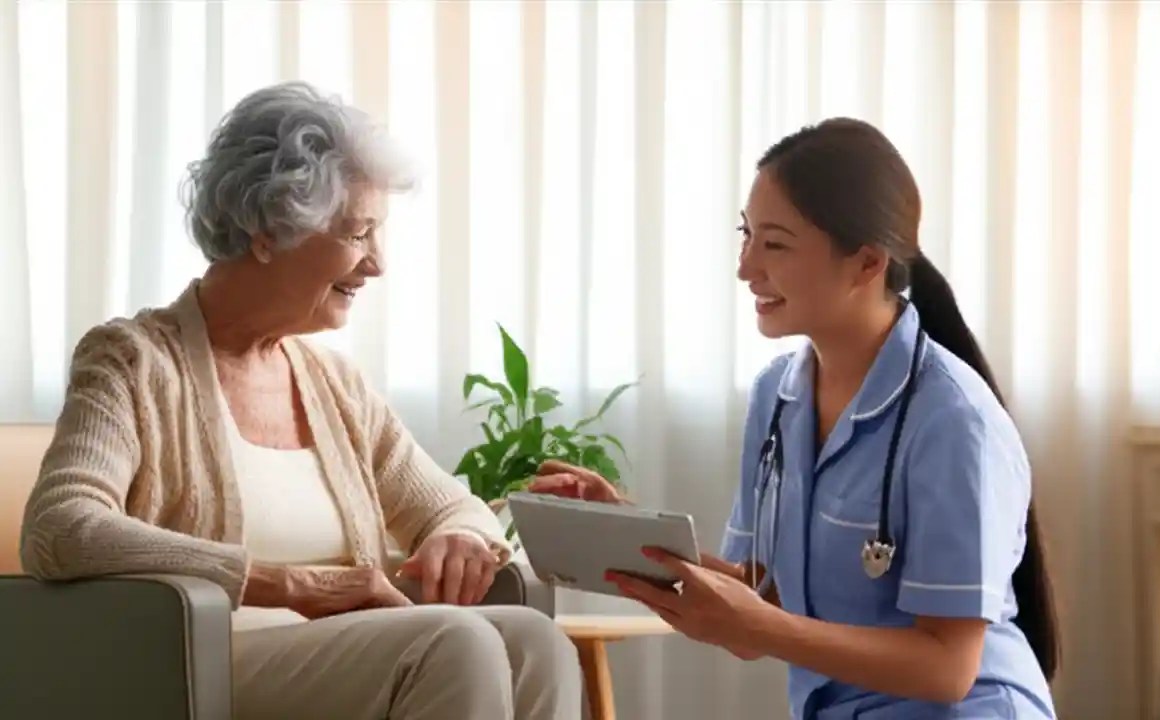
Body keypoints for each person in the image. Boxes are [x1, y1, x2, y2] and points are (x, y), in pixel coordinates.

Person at [20, 82, 581, 720]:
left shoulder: (334, 385)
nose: (377, 264)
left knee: (536, 644)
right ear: (267, 231)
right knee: (453, 641)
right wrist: (285, 583)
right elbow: (61, 528)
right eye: (359, 234)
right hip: (192, 657)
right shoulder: (132, 361)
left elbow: (455, 509)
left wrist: (458, 534)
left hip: (344, 656)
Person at [531, 118, 1058, 719]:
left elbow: (947, 668)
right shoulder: (777, 397)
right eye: (745, 235)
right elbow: (770, 591)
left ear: (865, 263)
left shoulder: (953, 421)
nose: (745, 268)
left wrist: (764, 629)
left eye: (775, 244)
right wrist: (627, 534)